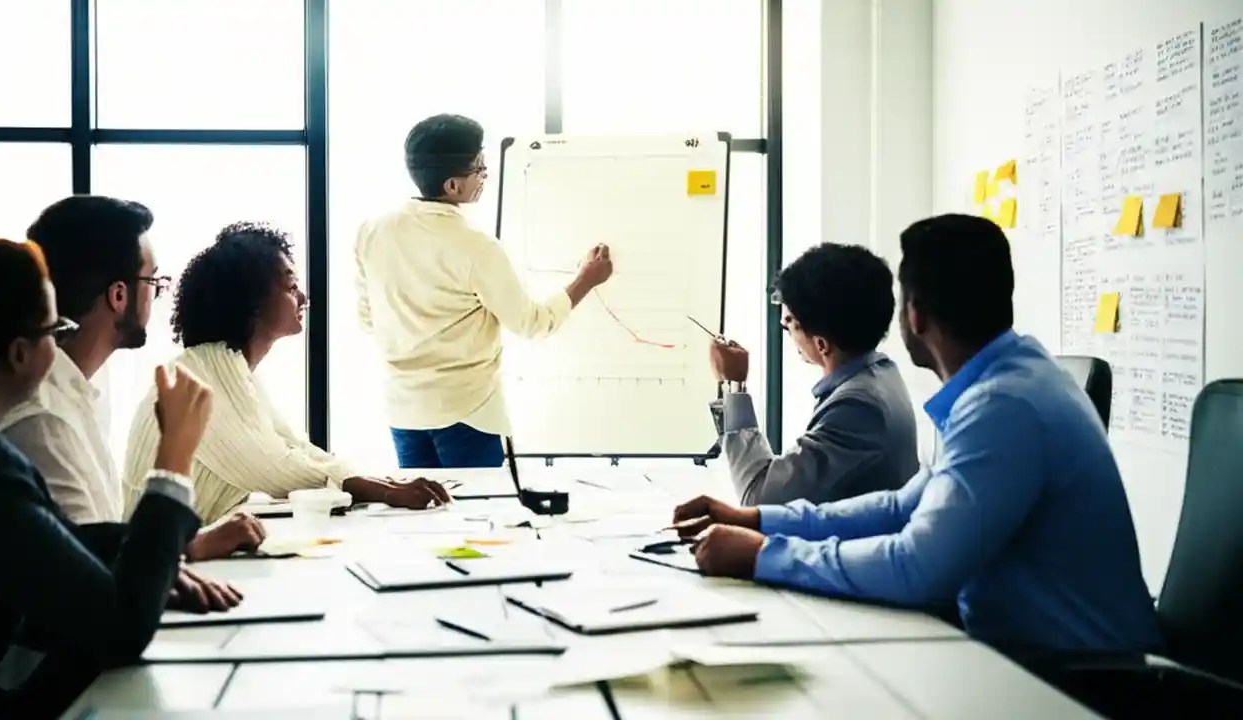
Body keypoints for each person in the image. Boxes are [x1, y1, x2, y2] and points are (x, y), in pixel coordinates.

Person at [674, 214, 1163, 656]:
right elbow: (901, 507)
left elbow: (916, 566)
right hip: (1030, 653)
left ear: (916, 315)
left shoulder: (1002, 406)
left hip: (1078, 678)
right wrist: (758, 519)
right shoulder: (1013, 380)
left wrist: (765, 554)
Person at [0, 235, 214, 718]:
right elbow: (119, 628)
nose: (60, 346)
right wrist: (175, 457)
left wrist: (158, 555)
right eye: (53, 331)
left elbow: (54, 541)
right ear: (19, 353)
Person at [123, 222, 452, 523]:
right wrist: (382, 490)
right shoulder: (202, 374)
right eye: (291, 286)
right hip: (159, 566)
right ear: (250, 300)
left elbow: (297, 447)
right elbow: (275, 468)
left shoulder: (228, 367)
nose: (304, 297)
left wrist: (382, 482)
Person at [2, 196, 264, 566]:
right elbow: (94, 582)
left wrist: (188, 547)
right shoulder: (44, 421)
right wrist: (176, 447)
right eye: (154, 280)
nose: (158, 292)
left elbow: (95, 543)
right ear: (119, 295)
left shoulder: (78, 391)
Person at [354, 113, 614, 469]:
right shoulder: (474, 247)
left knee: (421, 520)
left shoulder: (371, 232)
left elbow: (368, 319)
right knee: (482, 519)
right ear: (452, 186)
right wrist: (586, 279)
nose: (484, 176)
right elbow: (532, 323)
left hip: (404, 410)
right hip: (468, 412)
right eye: (479, 168)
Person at [710, 243, 917, 506]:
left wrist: (734, 386)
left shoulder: (858, 408)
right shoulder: (882, 374)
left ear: (821, 344)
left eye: (789, 323)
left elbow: (757, 500)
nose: (785, 325)